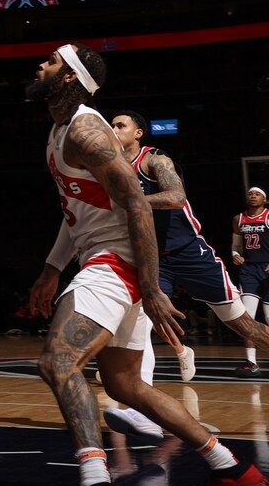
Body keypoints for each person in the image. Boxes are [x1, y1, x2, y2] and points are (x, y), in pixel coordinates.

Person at [25, 43, 268, 486]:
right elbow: (77, 208)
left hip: (119, 262)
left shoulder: (88, 130)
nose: (41, 64)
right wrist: (52, 266)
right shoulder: (59, 131)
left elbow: (137, 202)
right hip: (116, 261)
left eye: (52, 61)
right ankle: (235, 475)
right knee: (125, 384)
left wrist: (151, 286)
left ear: (71, 77)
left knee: (57, 362)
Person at [102, 113, 269, 438]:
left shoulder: (155, 159)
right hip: (149, 257)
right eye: (110, 124)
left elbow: (176, 197)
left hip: (189, 253)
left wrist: (135, 202)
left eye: (120, 125)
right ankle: (142, 412)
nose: (113, 129)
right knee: (143, 324)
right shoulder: (109, 168)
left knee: (243, 324)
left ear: (138, 133)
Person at [233, 185, 269, 376]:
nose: (253, 196)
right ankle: (251, 361)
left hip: (267, 268)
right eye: (250, 194)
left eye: (257, 194)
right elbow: (236, 246)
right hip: (249, 271)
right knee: (247, 318)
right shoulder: (238, 219)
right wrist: (235, 254)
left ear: (265, 199)